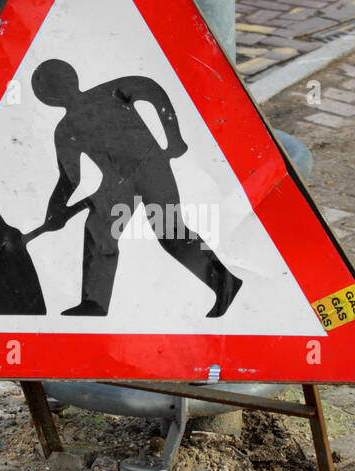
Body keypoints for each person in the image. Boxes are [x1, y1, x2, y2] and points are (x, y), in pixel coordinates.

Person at [31, 58, 242, 317]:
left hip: (150, 168)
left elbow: (152, 90)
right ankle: (94, 303)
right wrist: (55, 209)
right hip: (117, 184)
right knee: (98, 230)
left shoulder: (108, 93)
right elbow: (69, 179)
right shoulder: (65, 131)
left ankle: (225, 283)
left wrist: (174, 137)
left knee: (170, 232)